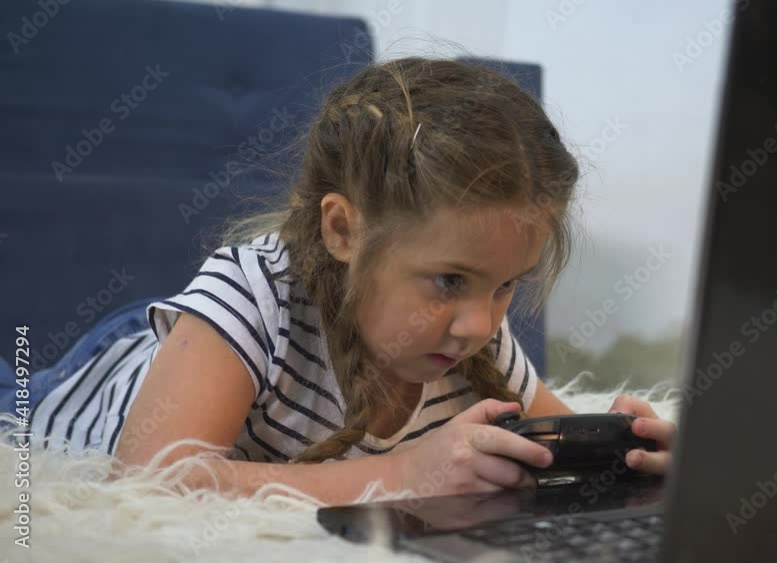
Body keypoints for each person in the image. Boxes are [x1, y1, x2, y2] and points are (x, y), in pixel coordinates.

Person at [1, 57, 674, 505]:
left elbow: (558, 440)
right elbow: (149, 478)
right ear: (343, 231)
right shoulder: (254, 299)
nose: (483, 323)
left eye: (505, 287)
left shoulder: (468, 339)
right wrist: (405, 475)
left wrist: (629, 450)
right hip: (95, 379)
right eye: (448, 280)